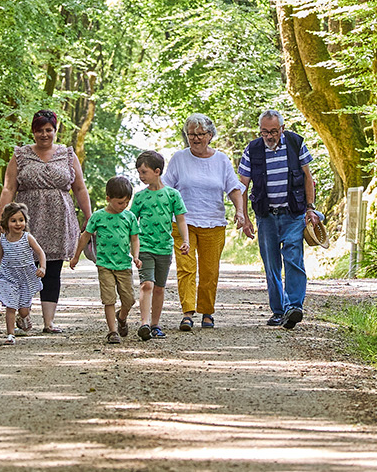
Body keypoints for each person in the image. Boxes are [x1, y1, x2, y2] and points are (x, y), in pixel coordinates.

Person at [0, 109, 91, 333]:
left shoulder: (68, 155)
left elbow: (79, 188)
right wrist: (2, 219)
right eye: (39, 131)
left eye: (48, 130)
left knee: (53, 270)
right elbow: (9, 188)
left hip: (59, 219)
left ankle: (49, 322)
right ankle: (23, 313)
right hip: (28, 219)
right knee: (22, 267)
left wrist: (90, 217)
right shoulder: (20, 155)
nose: (44, 135)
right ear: (33, 132)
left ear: (55, 131)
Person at [165, 113, 253, 332]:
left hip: (214, 222)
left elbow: (234, 188)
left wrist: (240, 212)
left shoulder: (221, 160)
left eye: (200, 134)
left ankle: (207, 312)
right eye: (191, 134)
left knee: (209, 271)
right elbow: (166, 189)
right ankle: (187, 313)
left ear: (210, 135)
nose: (195, 139)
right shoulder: (179, 159)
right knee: (186, 268)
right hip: (183, 223)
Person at [237, 110, 320, 330]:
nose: (270, 136)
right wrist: (244, 217)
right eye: (265, 132)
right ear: (260, 131)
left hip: (293, 213)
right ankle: (279, 311)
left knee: (294, 258)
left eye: (274, 131)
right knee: (272, 264)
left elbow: (307, 177)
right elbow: (242, 186)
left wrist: (310, 208)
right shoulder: (252, 150)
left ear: (282, 128)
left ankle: (294, 306)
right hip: (266, 216)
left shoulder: (295, 143)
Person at [69, 176, 141, 345]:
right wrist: (76, 256)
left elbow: (135, 238)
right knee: (109, 299)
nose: (123, 206)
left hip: (124, 264)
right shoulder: (98, 217)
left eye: (126, 203)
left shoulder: (129, 217)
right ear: (108, 199)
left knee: (129, 299)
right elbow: (85, 236)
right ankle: (112, 331)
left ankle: (121, 317)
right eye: (120, 203)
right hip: (104, 265)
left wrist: (136, 256)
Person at [129, 151, 189, 340]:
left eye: (144, 172)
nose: (141, 176)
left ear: (157, 171)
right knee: (147, 284)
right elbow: (131, 223)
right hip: (145, 247)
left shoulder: (172, 195)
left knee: (159, 288)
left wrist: (185, 240)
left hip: (164, 248)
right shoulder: (139, 197)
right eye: (139, 172)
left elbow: (180, 220)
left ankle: (155, 324)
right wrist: (131, 248)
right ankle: (144, 323)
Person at [0, 203, 46, 345]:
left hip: (26, 276)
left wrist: (42, 267)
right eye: (13, 220)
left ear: (25, 222)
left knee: (23, 310)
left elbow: (40, 252)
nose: (18, 224)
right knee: (10, 305)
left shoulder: (28, 237)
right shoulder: (3, 241)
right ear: (6, 222)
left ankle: (23, 317)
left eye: (21, 220)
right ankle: (10, 335)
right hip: (9, 276)